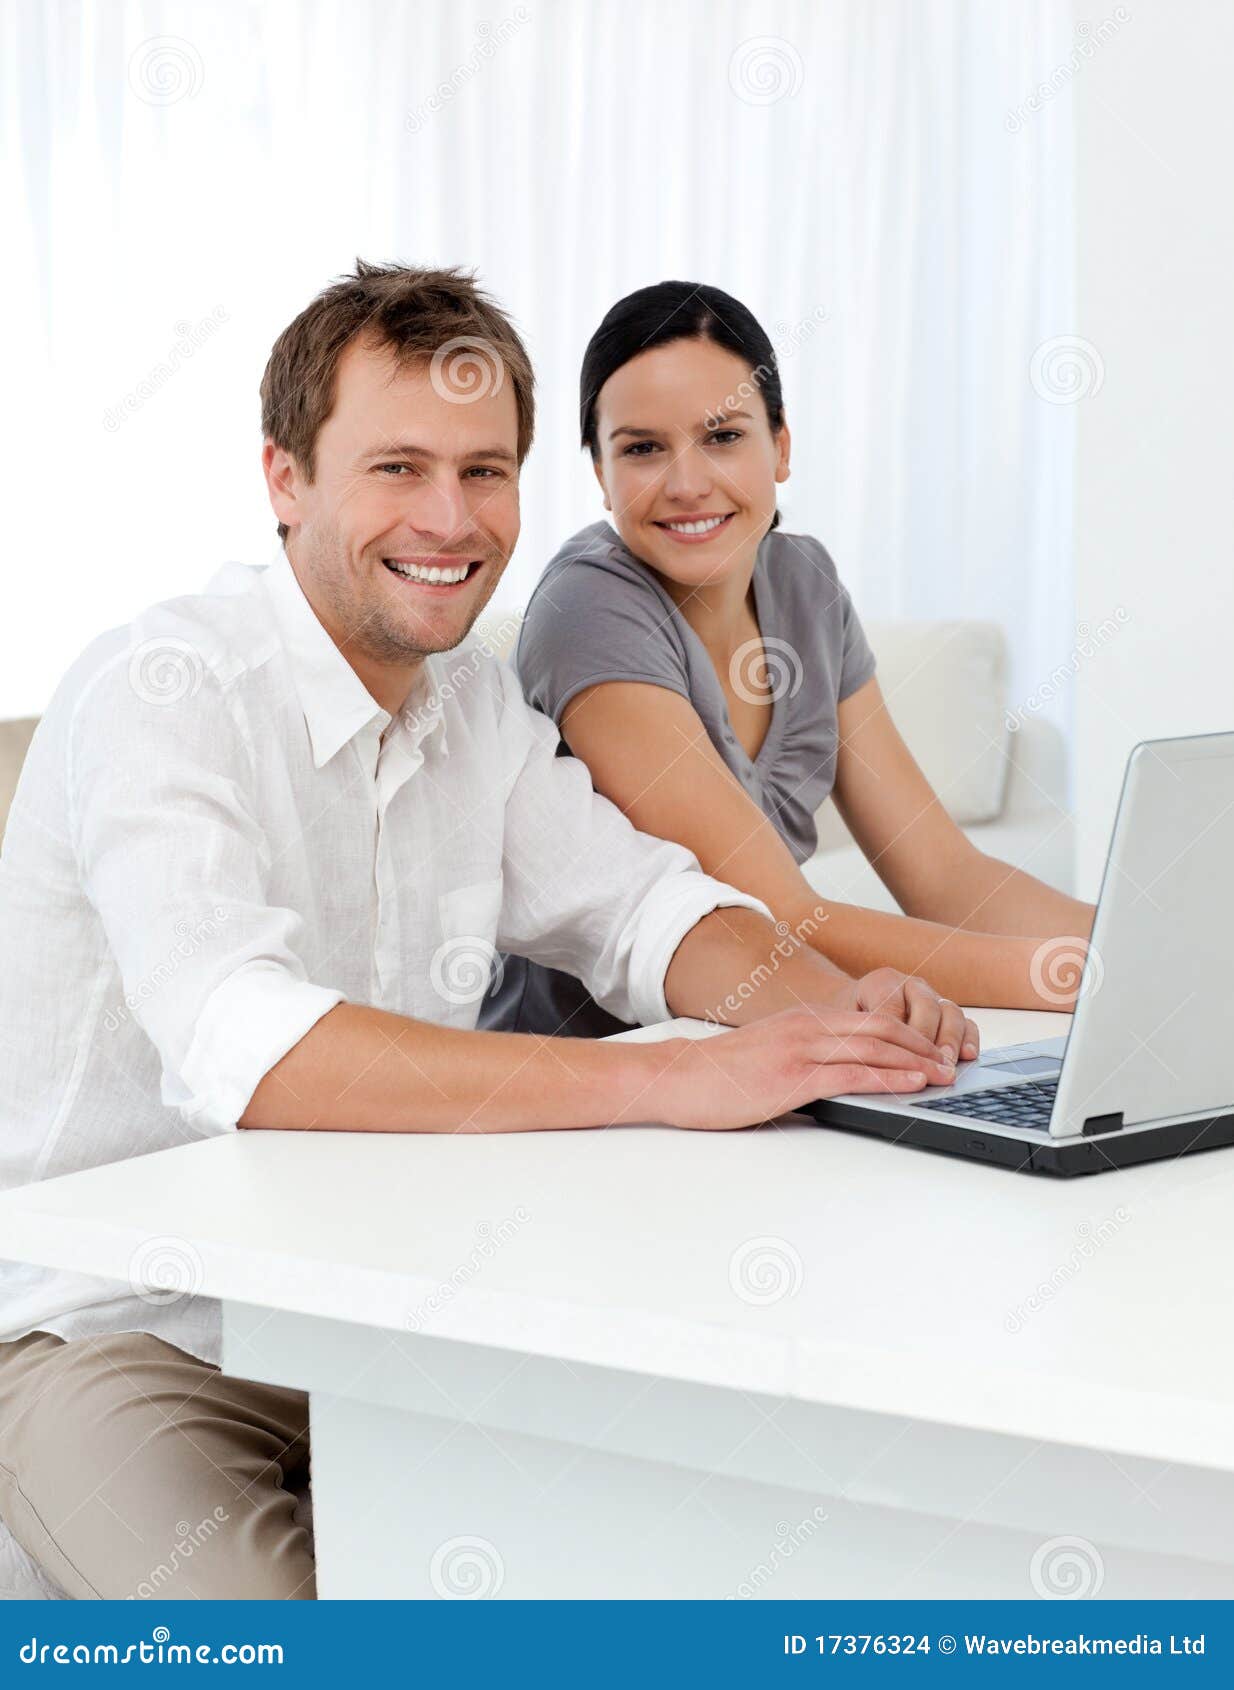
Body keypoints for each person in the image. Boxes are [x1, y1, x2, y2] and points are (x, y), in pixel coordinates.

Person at [0, 263, 960, 1601]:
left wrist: (826, 1016)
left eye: (485, 471)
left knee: (719, 1554)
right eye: (397, 467)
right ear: (285, 478)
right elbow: (252, 1047)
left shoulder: (472, 710)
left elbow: (649, 909)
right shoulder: (161, 692)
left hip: (384, 1316)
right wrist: (673, 1075)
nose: (449, 519)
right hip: (114, 1331)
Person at [486, 281, 1095, 1044]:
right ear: (601, 476)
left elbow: (946, 875)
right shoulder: (587, 611)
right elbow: (780, 918)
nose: (687, 484)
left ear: (781, 447)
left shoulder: (806, 586)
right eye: (642, 449)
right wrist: (1083, 977)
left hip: (779, 1045)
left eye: (722, 436)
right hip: (604, 1066)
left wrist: (1135, 942)